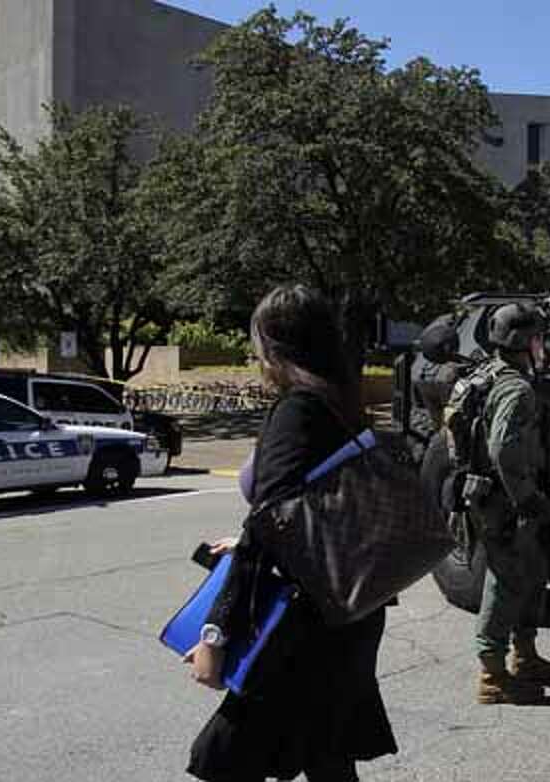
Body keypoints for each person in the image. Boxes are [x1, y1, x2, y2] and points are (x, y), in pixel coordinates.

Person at [185, 284, 397, 782]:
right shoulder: (343, 406)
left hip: (299, 624)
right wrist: (251, 539)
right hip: (348, 614)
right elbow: (321, 509)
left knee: (225, 762)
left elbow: (272, 520)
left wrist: (216, 632)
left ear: (273, 344)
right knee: (327, 758)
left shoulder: (299, 411)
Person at [462, 302, 550, 704]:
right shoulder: (516, 388)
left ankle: (525, 656)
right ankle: (492, 674)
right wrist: (526, 499)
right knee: (506, 579)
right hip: (505, 499)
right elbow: (503, 449)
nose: (544, 346)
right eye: (540, 338)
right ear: (526, 343)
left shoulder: (487, 371)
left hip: (496, 494)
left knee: (533, 571)